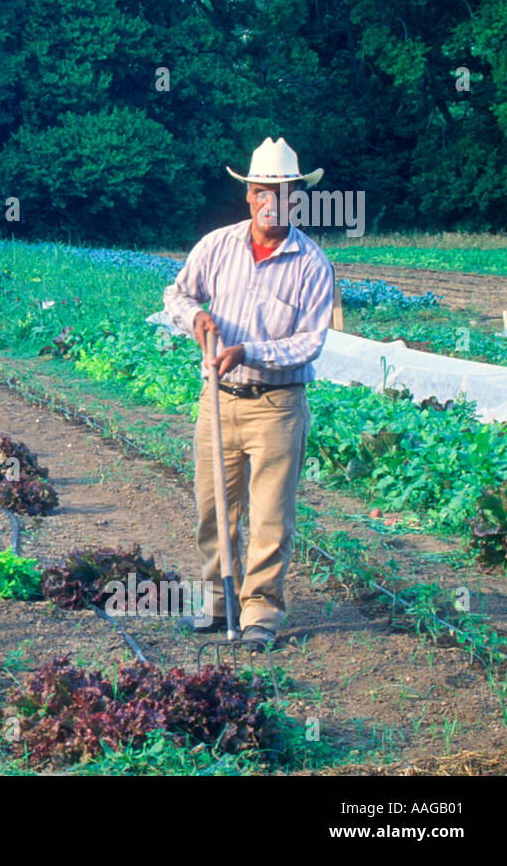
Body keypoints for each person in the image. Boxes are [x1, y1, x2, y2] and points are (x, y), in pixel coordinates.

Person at [163, 137, 335, 646]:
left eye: (283, 193)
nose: (271, 202)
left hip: (278, 406)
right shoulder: (216, 246)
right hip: (218, 399)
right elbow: (178, 293)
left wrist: (249, 352)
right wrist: (194, 316)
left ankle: (260, 613)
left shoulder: (311, 263)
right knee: (214, 509)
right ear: (249, 195)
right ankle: (218, 603)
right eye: (262, 191)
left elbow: (310, 342)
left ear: (297, 198)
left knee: (271, 516)